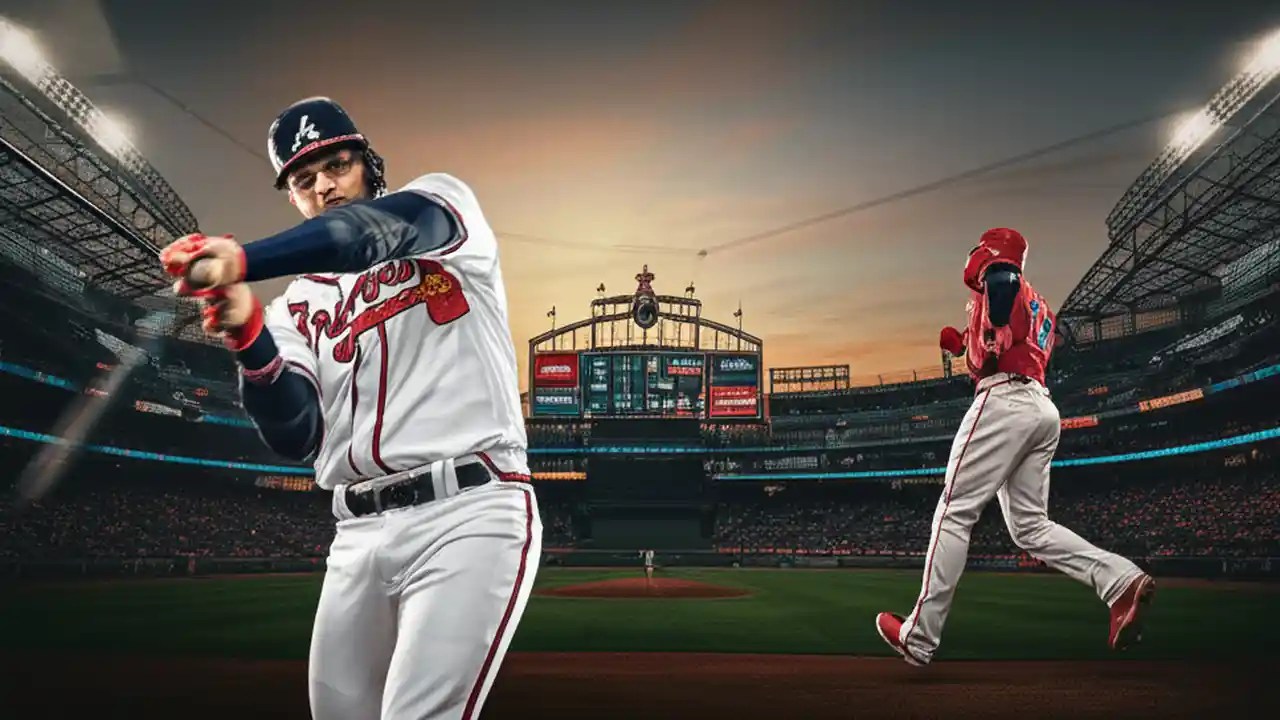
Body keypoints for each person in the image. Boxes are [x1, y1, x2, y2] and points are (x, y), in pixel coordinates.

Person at [160, 97, 541, 719]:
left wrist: (245, 259)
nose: (325, 186)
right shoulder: (294, 306)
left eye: (337, 164)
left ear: (369, 163)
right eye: (304, 180)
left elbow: (370, 235)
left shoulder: (442, 211)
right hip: (357, 534)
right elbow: (296, 430)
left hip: (469, 512)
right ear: (292, 197)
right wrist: (249, 335)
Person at [874, 228, 1154, 667]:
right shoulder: (1038, 304)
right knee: (1030, 528)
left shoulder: (1003, 277)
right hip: (1041, 409)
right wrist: (965, 340)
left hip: (1005, 401)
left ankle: (919, 636)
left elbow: (1002, 283)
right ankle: (1121, 583)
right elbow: (1004, 340)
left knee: (953, 510)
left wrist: (996, 310)